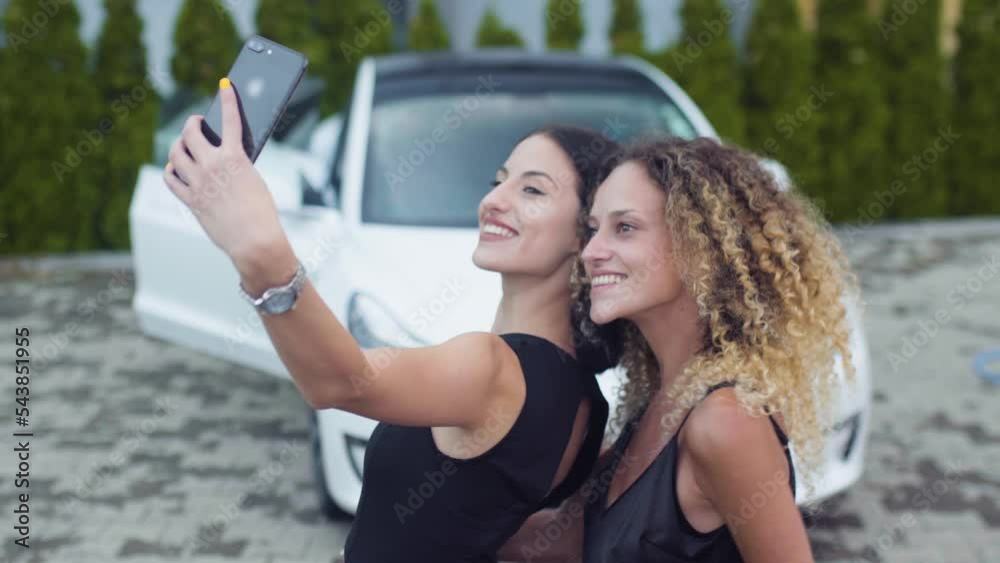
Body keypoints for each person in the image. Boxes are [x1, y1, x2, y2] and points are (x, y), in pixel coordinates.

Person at [163, 78, 623, 563]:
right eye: (498, 180)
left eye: (532, 189)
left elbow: (339, 382)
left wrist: (257, 246)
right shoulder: (587, 407)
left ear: (585, 233)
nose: (494, 200)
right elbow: (482, 526)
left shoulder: (492, 367)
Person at [500, 136, 857, 563]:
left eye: (625, 227)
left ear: (699, 247)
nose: (592, 252)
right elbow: (568, 540)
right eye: (593, 229)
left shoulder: (725, 423)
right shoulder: (660, 404)